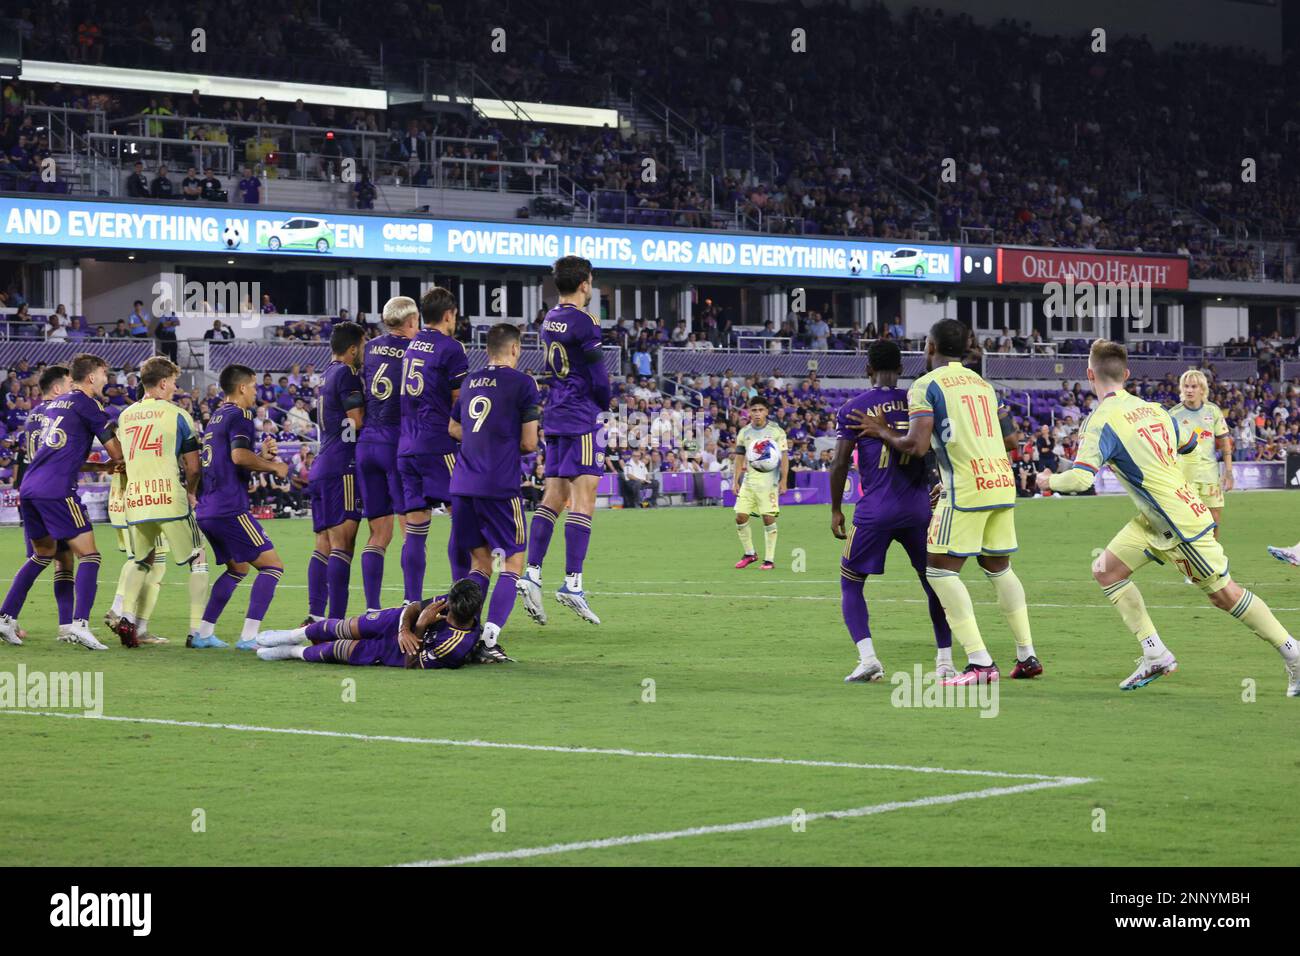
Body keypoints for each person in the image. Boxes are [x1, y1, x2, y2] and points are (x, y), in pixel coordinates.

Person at [1039, 340, 1298, 698]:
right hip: (1154, 519)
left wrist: (1046, 480)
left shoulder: (1100, 421)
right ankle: (1155, 653)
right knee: (1106, 571)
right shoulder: (1155, 410)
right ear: (1126, 375)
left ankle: (1294, 653)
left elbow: (1081, 478)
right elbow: (1189, 441)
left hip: (1179, 524)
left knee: (1225, 595)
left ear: (1089, 375)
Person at [850, 318, 1036, 686]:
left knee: (938, 572)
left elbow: (916, 446)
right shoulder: (983, 383)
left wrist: (881, 431)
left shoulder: (926, 385)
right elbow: (1012, 438)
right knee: (999, 568)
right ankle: (1027, 655)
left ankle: (981, 663)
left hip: (966, 488)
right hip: (1000, 480)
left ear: (930, 348)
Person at [830, 340, 954, 682]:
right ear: (901, 370)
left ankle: (868, 659)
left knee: (851, 582)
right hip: (918, 509)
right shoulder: (918, 401)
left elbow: (840, 461)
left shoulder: (854, 409)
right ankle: (945, 662)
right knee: (935, 584)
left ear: (867, 369)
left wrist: (836, 509)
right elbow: (936, 447)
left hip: (875, 511)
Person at [0, 354, 123, 649]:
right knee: (90, 556)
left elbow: (59, 454)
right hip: (57, 491)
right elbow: (116, 450)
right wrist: (121, 461)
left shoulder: (53, 406)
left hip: (29, 488)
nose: (108, 379)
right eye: (105, 373)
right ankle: (79, 625)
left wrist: (99, 468)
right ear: (91, 377)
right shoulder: (88, 403)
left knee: (43, 554)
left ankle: (5, 618)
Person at [520, 256, 611, 626]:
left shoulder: (549, 319)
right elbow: (598, 373)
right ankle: (572, 582)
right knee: (584, 497)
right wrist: (604, 403)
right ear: (585, 283)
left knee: (553, 495)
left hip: (555, 413)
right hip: (580, 415)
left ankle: (532, 573)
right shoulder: (585, 321)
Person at [447, 323, 541, 647]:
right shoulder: (523, 384)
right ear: (515, 349)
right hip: (498, 485)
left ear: (488, 350)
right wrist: (499, 443)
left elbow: (454, 428)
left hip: (462, 485)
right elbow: (529, 444)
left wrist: (481, 439)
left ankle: (463, 634)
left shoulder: (470, 381)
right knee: (513, 561)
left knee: (481, 563)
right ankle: (489, 639)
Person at [110, 357, 209, 648]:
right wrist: (191, 492)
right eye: (174, 382)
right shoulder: (177, 415)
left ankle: (127, 619)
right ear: (163, 383)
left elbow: (121, 459)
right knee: (198, 559)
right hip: (168, 497)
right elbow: (193, 466)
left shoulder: (126, 416)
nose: (175, 388)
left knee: (141, 561)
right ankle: (196, 632)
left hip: (137, 498)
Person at [192, 365, 291, 650]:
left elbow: (230, 458)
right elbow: (238, 457)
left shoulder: (216, 418)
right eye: (254, 387)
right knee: (272, 567)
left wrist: (258, 456)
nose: (256, 393)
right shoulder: (241, 414)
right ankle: (249, 637)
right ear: (243, 388)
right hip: (229, 508)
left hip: (208, 508)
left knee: (238, 569)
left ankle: (204, 633)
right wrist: (274, 466)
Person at [395, 287, 469, 605]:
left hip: (407, 446)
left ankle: (410, 603)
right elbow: (459, 403)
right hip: (438, 445)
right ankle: (463, 600)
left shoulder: (413, 346)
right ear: (450, 314)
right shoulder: (451, 349)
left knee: (415, 528)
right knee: (462, 516)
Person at [253, 579, 509, 667]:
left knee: (338, 650)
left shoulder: (454, 647)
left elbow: (412, 665)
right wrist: (406, 627)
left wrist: (420, 627)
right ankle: (292, 635)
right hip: (394, 622)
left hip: (397, 654)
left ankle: (292, 652)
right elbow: (412, 608)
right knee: (341, 627)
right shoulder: (450, 601)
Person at [354, 296, 417, 612]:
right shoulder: (415, 350)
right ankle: (410, 604)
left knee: (378, 533)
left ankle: (372, 608)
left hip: (367, 443)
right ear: (410, 322)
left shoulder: (369, 348)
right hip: (397, 444)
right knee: (411, 530)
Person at [308, 323, 367, 621]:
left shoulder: (326, 374)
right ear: (354, 348)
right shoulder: (346, 374)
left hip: (322, 463)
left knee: (324, 544)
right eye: (364, 346)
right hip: (342, 465)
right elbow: (354, 421)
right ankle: (335, 620)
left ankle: (316, 616)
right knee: (343, 545)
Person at [15, 365, 76, 641]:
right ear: (57, 388)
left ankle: (11, 618)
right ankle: (64, 626)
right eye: (69, 383)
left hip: (31, 491)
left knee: (49, 556)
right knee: (59, 558)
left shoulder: (32, 416)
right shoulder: (59, 414)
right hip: (51, 492)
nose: (73, 388)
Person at [1169, 369, 1233, 537]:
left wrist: (1229, 472)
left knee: (1214, 524)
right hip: (1185, 478)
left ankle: (1213, 561)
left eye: (1194, 386)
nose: (1189, 390)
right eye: (1186, 386)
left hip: (1210, 477)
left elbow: (1225, 444)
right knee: (1189, 525)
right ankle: (1192, 561)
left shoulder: (1213, 411)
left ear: (1202, 389)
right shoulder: (1173, 414)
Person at [732, 397, 788, 571]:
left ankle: (769, 560)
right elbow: (739, 458)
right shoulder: (744, 433)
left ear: (767, 412)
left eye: (760, 410)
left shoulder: (777, 432)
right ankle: (750, 553)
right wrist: (735, 480)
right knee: (740, 516)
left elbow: (784, 457)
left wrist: (784, 480)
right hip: (749, 481)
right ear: (749, 412)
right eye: (754, 410)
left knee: (767, 518)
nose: (757, 413)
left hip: (769, 482)